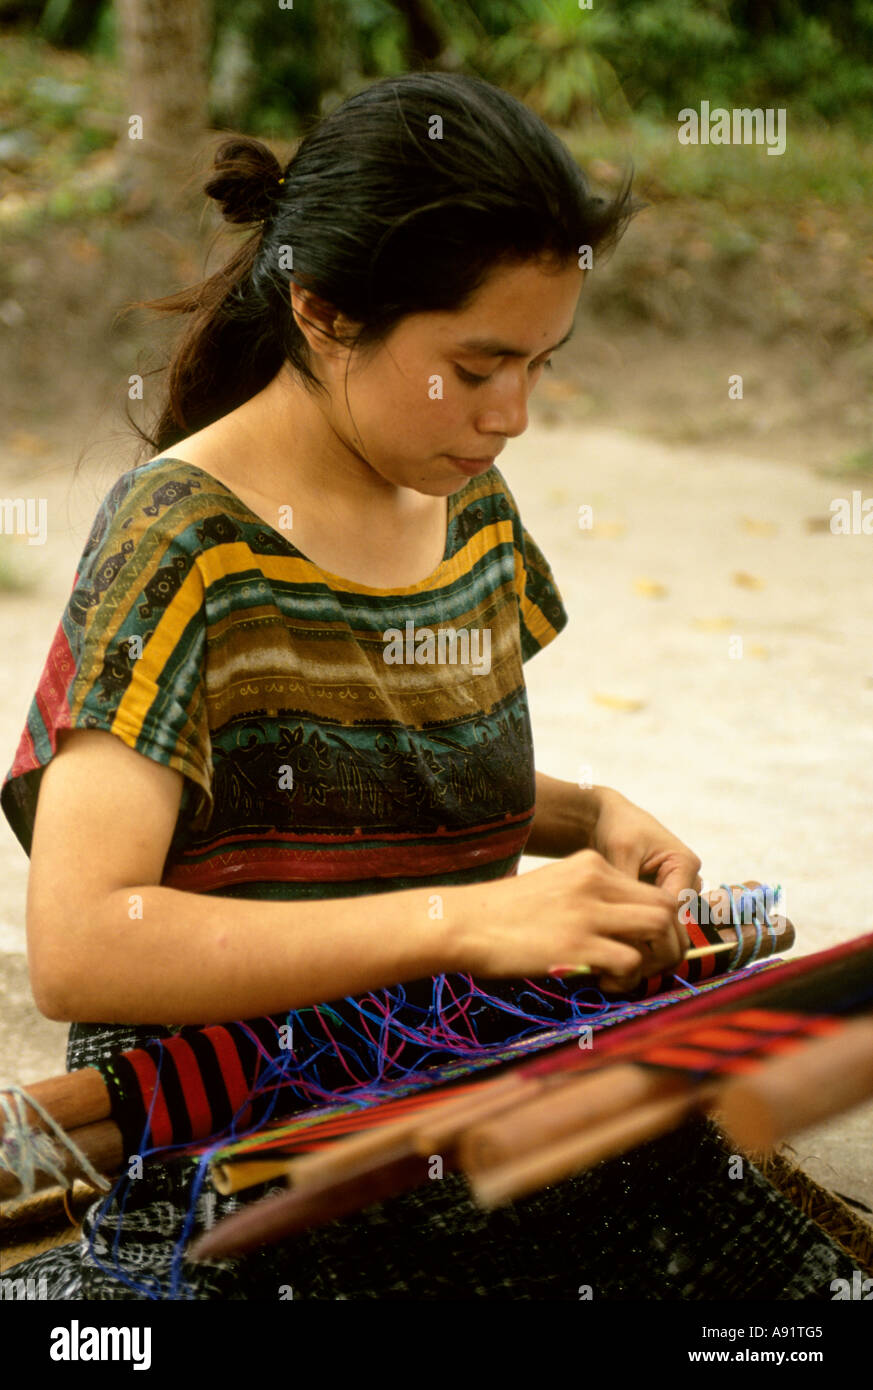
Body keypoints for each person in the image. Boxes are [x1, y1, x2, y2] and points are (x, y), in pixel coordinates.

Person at [1, 71, 855, 1300]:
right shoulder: (180, 544)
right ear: (325, 312)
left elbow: (372, 752)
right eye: (478, 363)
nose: (511, 413)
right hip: (244, 1150)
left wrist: (584, 813)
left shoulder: (464, 502)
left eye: (541, 366)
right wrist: (476, 921)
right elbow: (83, 945)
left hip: (465, 1083)